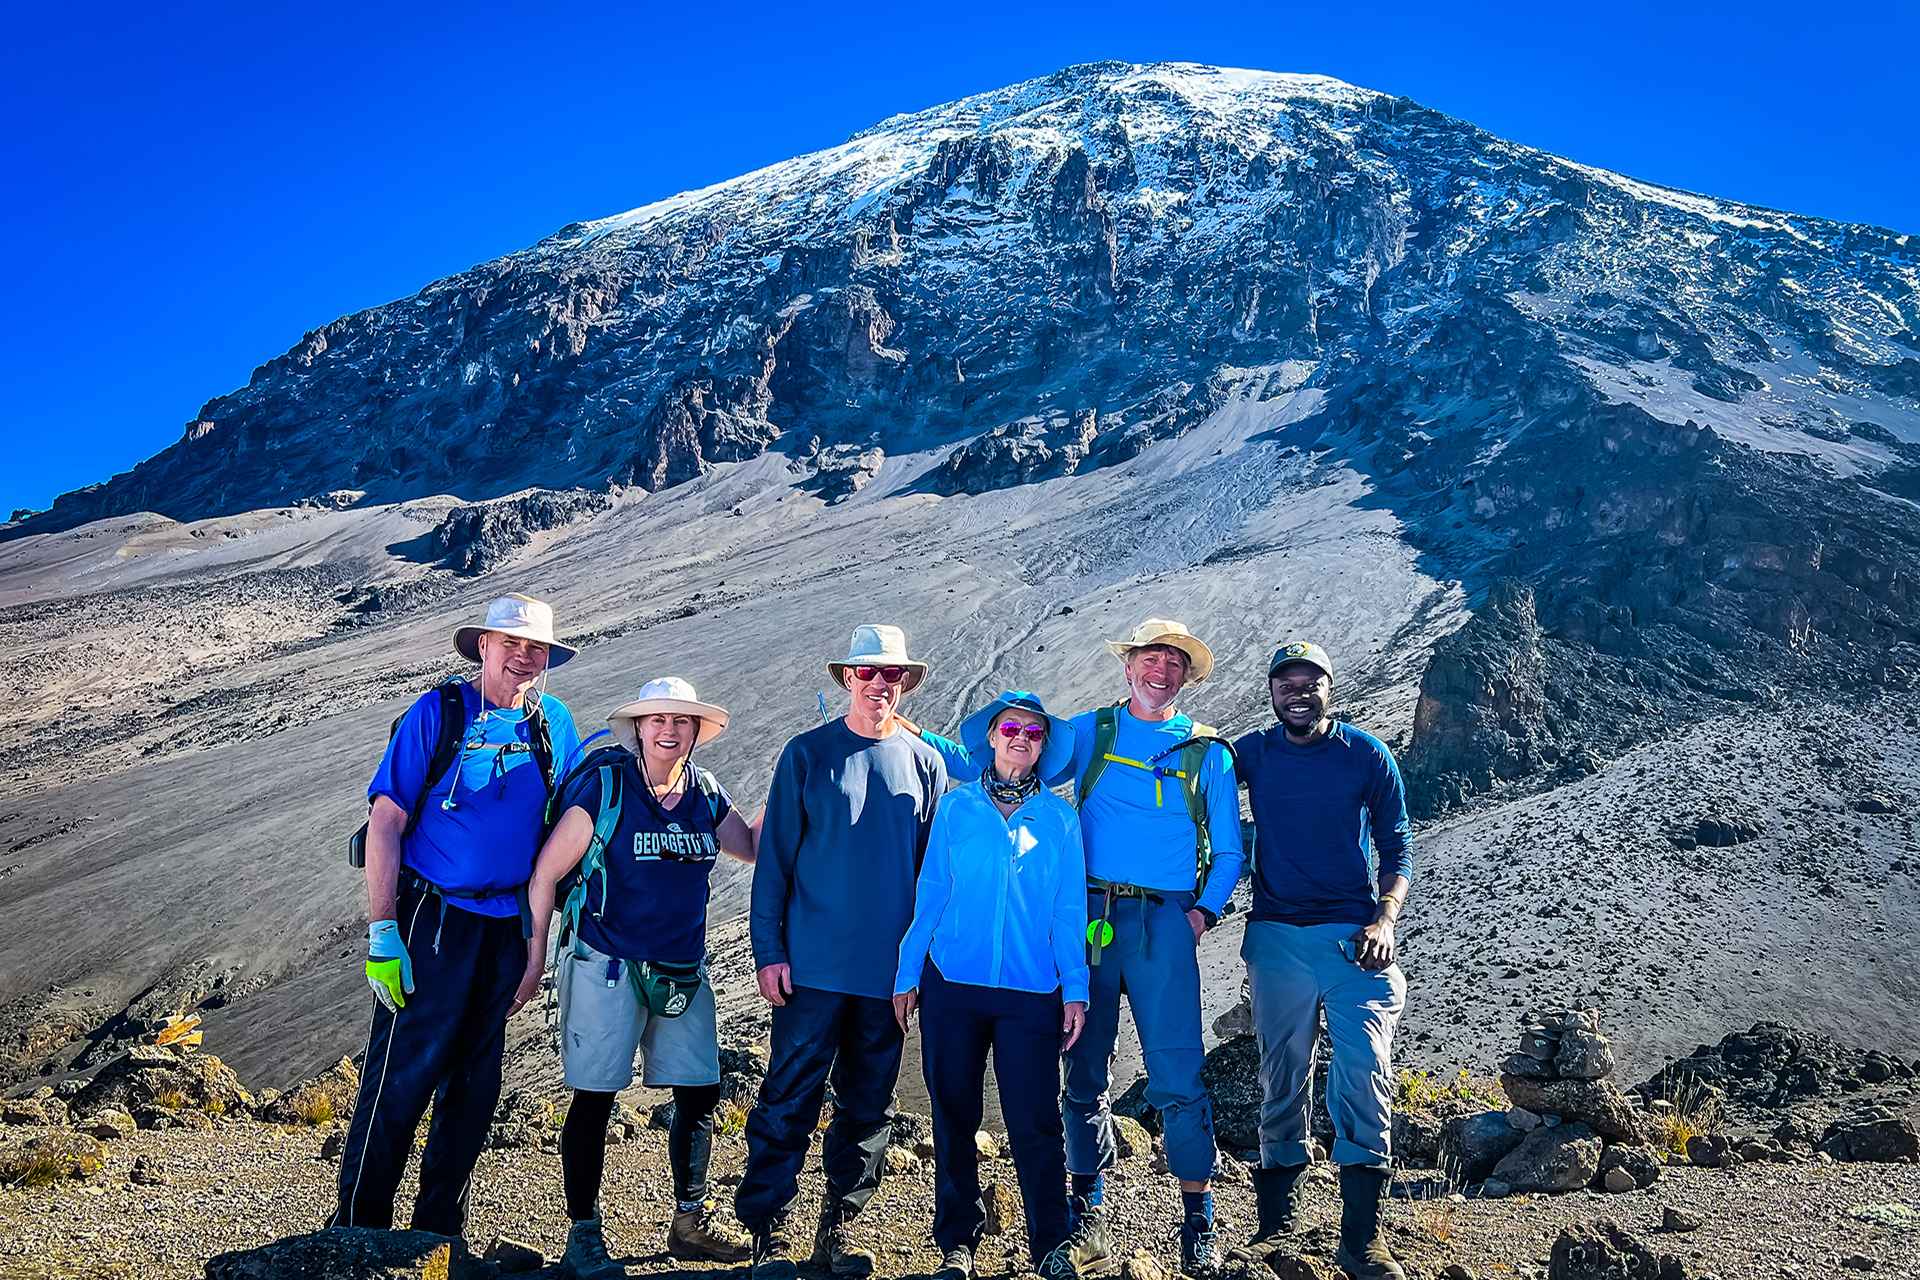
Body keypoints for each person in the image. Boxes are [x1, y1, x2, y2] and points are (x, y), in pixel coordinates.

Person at [901, 619, 1244, 1277]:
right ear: (1129, 666)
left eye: (1174, 663)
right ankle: (1086, 1215)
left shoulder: (1208, 752)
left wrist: (1202, 914)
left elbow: (1229, 848)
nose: (1160, 672)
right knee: (1085, 1069)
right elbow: (1005, 756)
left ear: (1186, 675)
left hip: (1165, 922)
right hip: (1089, 915)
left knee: (1176, 1069)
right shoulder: (1092, 732)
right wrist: (914, 733)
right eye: (1150, 658)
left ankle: (1197, 1220)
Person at [333, 594, 582, 1236]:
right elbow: (385, 822)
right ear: (484, 647)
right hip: (432, 921)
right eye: (512, 644)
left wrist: (536, 944)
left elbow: (565, 837)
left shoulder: (554, 724)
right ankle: (359, 1234)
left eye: (536, 649)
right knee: (401, 1077)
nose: (524, 658)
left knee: (474, 1090)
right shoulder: (438, 713)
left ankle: (436, 1239)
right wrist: (384, 931)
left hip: (506, 927)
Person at [521, 678, 760, 1278]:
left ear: (696, 732)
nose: (669, 731)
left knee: (700, 1091)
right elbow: (546, 875)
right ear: (638, 728)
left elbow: (751, 848)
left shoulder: (705, 793)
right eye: (657, 720)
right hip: (606, 962)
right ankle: (583, 1231)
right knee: (596, 1096)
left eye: (681, 722)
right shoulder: (608, 789)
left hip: (681, 966)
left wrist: (791, 785)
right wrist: (532, 962)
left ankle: (688, 1220)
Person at [738, 624, 948, 1280]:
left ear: (905, 682)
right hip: (811, 969)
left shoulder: (926, 765)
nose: (879, 685)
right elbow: (773, 862)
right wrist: (768, 951)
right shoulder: (806, 755)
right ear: (847, 679)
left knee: (869, 1104)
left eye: (892, 675)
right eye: (867, 673)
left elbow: (933, 879)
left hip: (887, 978)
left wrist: (917, 970)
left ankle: (839, 1226)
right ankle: (766, 1232)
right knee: (787, 1096)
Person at [893, 691, 1090, 1280]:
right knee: (953, 1112)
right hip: (953, 983)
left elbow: (1067, 908)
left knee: (1035, 1119)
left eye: (1034, 733)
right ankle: (958, 1241)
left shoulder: (1060, 818)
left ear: (1042, 749)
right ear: (993, 736)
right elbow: (930, 893)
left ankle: (1050, 1239)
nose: (1021, 739)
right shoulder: (957, 810)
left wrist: (1074, 986)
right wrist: (908, 972)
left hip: (1033, 990)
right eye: (1012, 728)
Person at [1232, 642, 1412, 1280]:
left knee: (1363, 1067)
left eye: (1311, 682)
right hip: (1276, 935)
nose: (1299, 693)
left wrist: (1384, 918)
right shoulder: (1251, 753)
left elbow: (1396, 846)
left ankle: (1361, 1240)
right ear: (1272, 691)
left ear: (1331, 689)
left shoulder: (1365, 755)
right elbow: (1194, 791)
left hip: (1352, 937)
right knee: (1282, 1073)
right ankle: (1274, 1228)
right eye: (1287, 683)